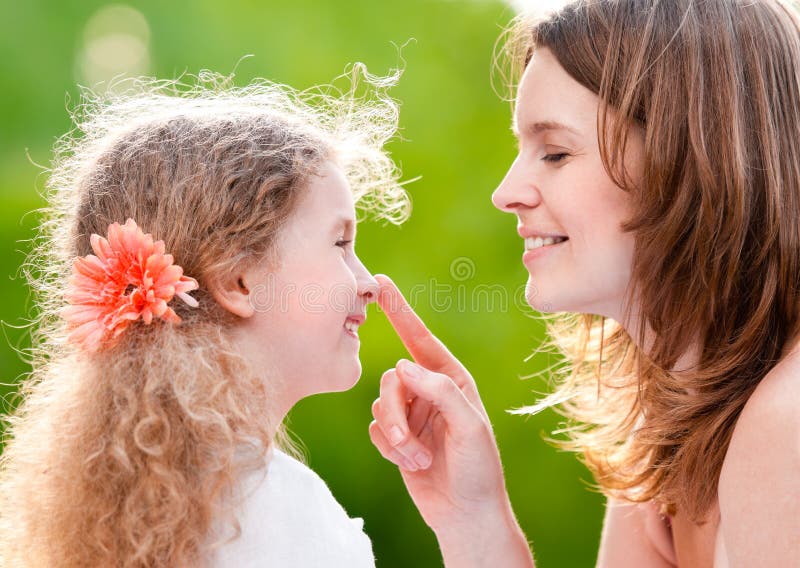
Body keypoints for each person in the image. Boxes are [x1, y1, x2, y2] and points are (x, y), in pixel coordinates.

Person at [369, 0, 800, 566]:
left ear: (689, 160)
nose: (506, 192)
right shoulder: (673, 427)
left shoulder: (786, 423)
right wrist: (472, 517)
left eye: (554, 152)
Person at [0, 69, 409, 567]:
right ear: (239, 279)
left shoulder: (78, 511)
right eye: (340, 243)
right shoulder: (290, 519)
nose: (370, 282)